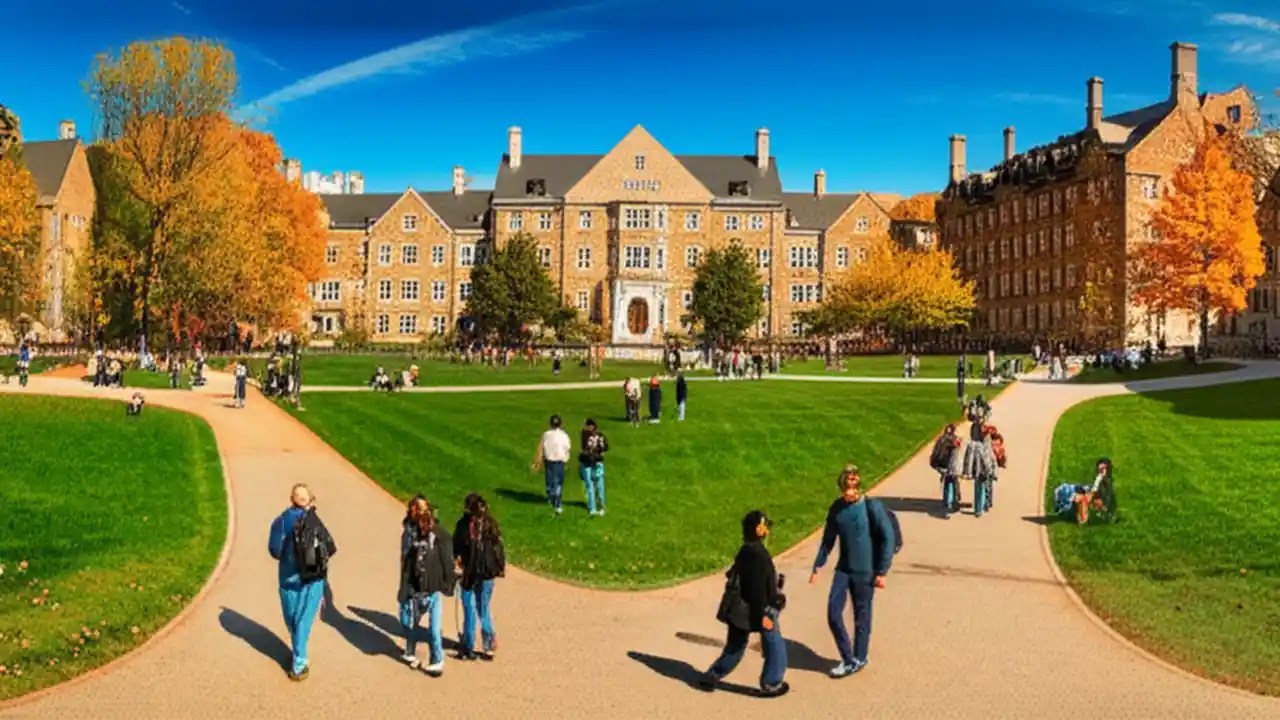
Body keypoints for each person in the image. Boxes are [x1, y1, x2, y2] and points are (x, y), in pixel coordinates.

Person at [810, 465, 895, 678]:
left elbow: (888, 538)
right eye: (846, 485)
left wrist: (882, 571)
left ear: (858, 485)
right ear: (841, 486)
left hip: (866, 572)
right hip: (844, 570)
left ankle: (859, 657)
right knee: (833, 614)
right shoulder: (836, 509)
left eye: (853, 484)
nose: (850, 490)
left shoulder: (871, 507)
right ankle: (849, 658)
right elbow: (828, 539)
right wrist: (817, 565)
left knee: (861, 617)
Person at [697, 510, 789, 698]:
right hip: (758, 609)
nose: (768, 531)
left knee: (735, 646)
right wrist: (763, 615)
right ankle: (772, 683)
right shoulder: (759, 555)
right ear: (758, 529)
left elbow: (736, 576)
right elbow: (756, 591)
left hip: (738, 610)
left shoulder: (745, 550)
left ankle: (712, 676)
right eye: (765, 526)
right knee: (774, 643)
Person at [267, 483, 337, 681]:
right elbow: (329, 547)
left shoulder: (280, 521)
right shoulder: (314, 521)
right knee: (303, 619)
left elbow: (275, 550)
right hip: (313, 577)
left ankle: (299, 651)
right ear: (310, 501)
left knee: (292, 618)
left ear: (291, 500)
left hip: (288, 578)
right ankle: (299, 661)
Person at [398, 496, 455, 675]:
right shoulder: (411, 536)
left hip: (433, 587)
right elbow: (406, 564)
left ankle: (437, 659)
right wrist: (404, 588)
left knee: (434, 627)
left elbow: (447, 560)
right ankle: (410, 650)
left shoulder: (439, 535)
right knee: (411, 621)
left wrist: (449, 582)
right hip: (416, 587)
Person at [454, 493, 505, 661]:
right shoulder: (492, 524)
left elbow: (456, 550)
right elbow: (499, 548)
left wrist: (457, 565)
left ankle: (468, 646)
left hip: (469, 573)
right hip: (487, 573)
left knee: (469, 609)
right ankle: (488, 645)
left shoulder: (463, 526)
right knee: (484, 609)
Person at [531, 415, 571, 516]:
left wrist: (538, 460)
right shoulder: (564, 435)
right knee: (558, 482)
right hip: (559, 461)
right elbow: (567, 448)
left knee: (550, 481)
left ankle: (554, 500)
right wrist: (566, 457)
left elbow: (541, 447)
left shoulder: (546, 434)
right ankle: (556, 501)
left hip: (549, 460)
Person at [578, 419, 609, 516]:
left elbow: (604, 450)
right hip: (588, 463)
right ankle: (593, 508)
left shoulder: (599, 437)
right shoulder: (586, 435)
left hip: (595, 463)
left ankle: (600, 507)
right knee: (590, 486)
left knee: (599, 487)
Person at [929, 424, 962, 514]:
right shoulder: (955, 441)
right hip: (952, 466)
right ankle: (953, 501)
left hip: (942, 465)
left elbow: (936, 452)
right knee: (954, 483)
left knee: (947, 482)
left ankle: (946, 501)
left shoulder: (941, 440)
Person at [1073, 458, 1115, 524]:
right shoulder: (1098, 477)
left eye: (1104, 468)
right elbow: (1093, 488)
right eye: (1100, 468)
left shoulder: (1107, 481)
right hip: (1094, 498)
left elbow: (1104, 496)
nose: (1101, 470)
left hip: (1101, 503)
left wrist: (1091, 495)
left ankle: (1083, 520)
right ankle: (1080, 518)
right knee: (1078, 497)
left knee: (1082, 498)